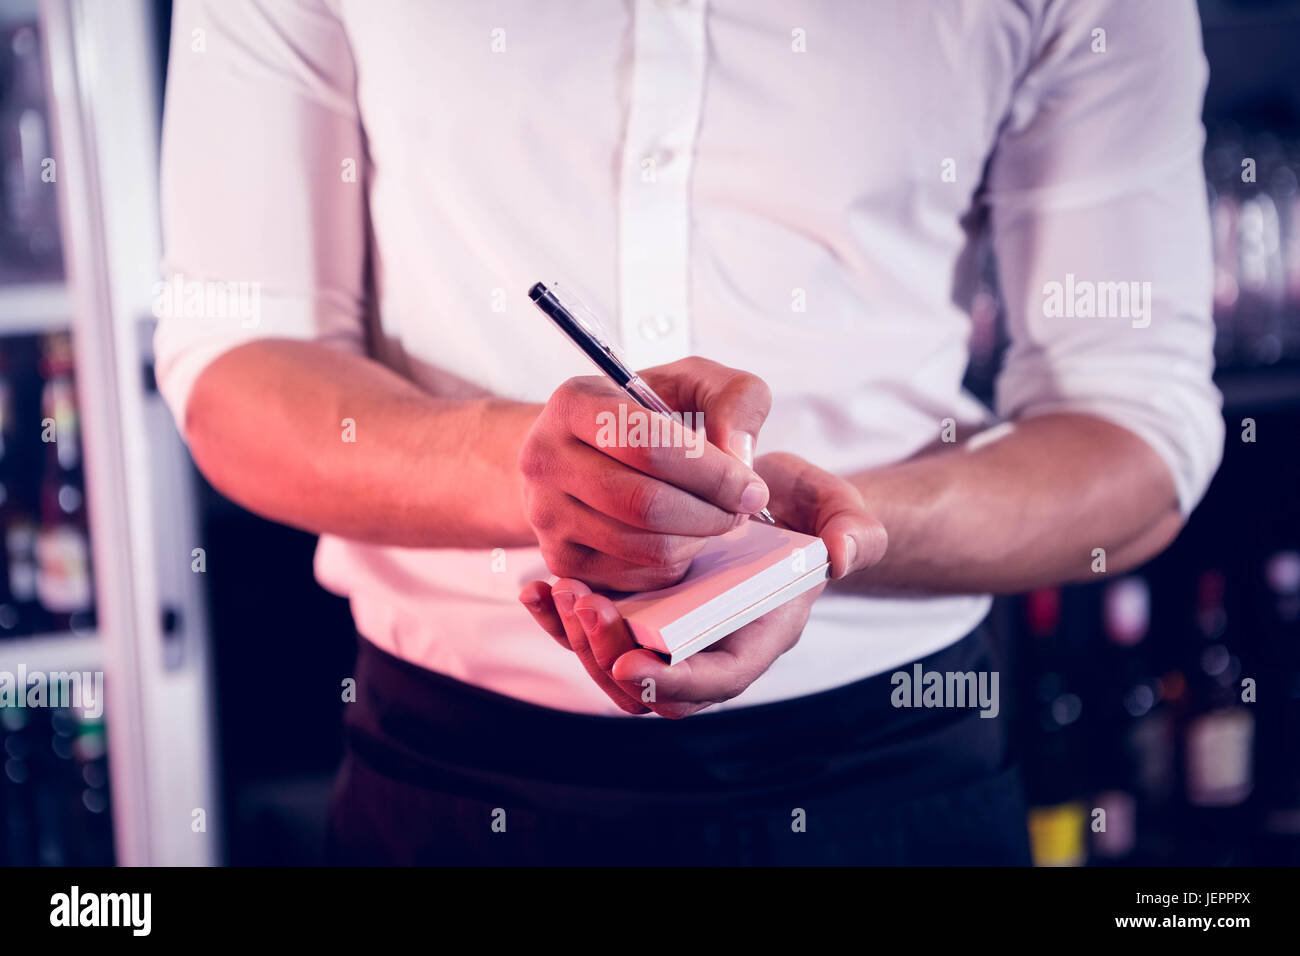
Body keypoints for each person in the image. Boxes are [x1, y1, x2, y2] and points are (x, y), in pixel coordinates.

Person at [155, 0, 1222, 864]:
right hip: (446, 786)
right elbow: (235, 374)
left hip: (893, 783)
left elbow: (1134, 430)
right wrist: (527, 467)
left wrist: (830, 536)